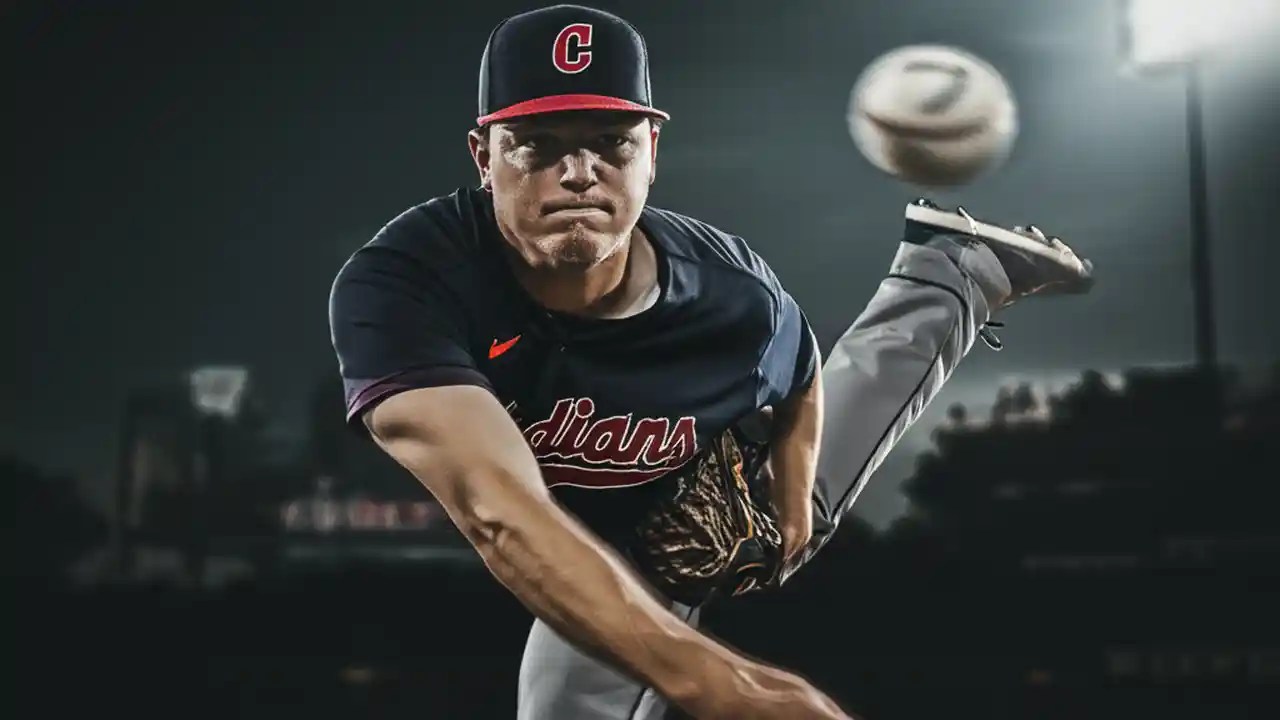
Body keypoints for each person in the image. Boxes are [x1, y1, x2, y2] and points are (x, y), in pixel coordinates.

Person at [327, 5, 1094, 719]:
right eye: (539, 143)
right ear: (484, 157)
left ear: (651, 153)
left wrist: (795, 508)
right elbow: (500, 513)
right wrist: (726, 683)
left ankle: (951, 273)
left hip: (663, 505)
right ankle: (949, 273)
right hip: (553, 522)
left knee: (600, 670)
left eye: (610, 142)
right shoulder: (404, 285)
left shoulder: (728, 290)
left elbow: (800, 371)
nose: (579, 171)